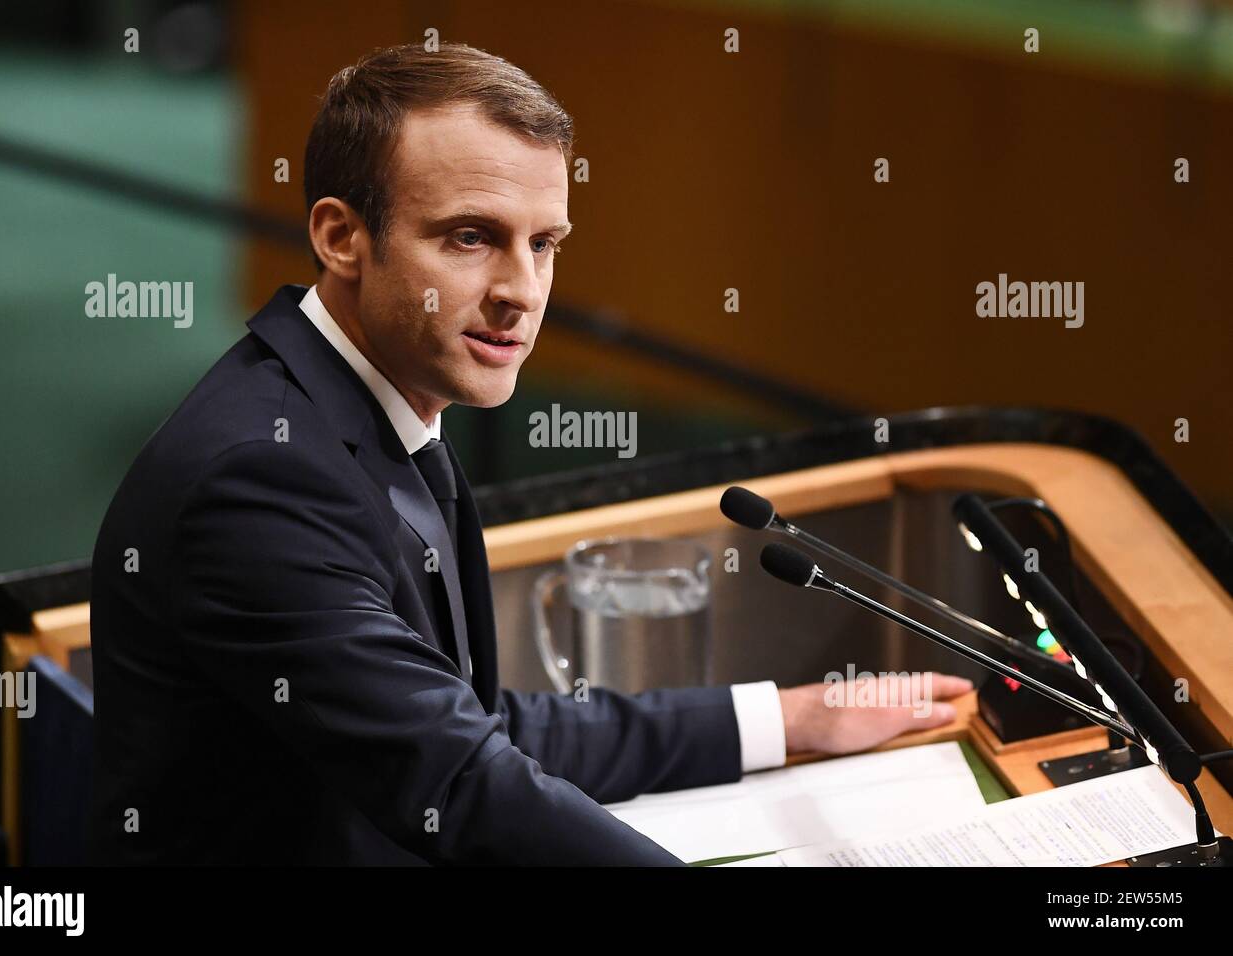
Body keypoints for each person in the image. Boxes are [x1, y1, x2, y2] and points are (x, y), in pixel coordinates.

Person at [90, 41, 972, 865]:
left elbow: (471, 724)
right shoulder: (262, 476)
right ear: (340, 237)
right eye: (471, 237)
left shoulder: (364, 406)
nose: (521, 292)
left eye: (543, 244)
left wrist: (786, 719)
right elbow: (461, 777)